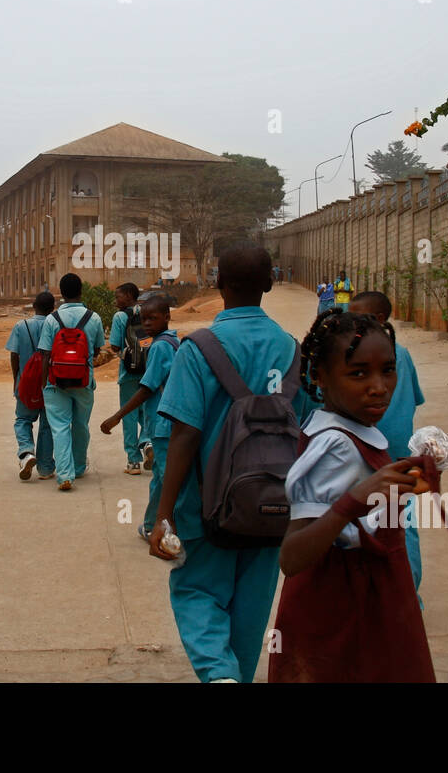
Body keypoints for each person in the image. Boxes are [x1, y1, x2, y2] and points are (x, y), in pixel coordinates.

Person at [149, 244, 318, 683]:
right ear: (269, 283)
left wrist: (163, 515)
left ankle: (217, 672)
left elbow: (184, 434)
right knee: (252, 603)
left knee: (197, 590)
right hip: (274, 503)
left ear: (218, 284)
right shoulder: (292, 350)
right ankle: (235, 675)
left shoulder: (198, 349)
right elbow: (309, 429)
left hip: (206, 504)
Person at [268, 310, 433, 682]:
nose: (379, 386)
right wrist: (352, 503)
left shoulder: (350, 429)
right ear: (320, 377)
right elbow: (292, 557)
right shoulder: (335, 446)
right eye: (358, 373)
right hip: (341, 608)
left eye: (388, 370)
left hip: (369, 600)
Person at [347, 290, 427, 597]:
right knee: (401, 520)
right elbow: (414, 399)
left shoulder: (360, 358)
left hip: (371, 452)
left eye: (359, 316)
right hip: (399, 454)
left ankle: (389, 591)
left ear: (380, 320)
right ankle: (408, 591)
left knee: (373, 519)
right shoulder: (402, 355)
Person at [100, 294, 178, 541]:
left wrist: (117, 416)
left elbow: (147, 388)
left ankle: (162, 526)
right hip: (170, 420)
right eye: (144, 320)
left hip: (163, 422)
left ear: (166, 317)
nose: (147, 324)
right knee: (160, 476)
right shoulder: (173, 342)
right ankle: (149, 524)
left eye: (152, 319)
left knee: (165, 478)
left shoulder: (159, 347)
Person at [38, 273, 107, 491]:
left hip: (56, 381)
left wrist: (44, 384)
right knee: (80, 425)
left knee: (59, 428)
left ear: (61, 292)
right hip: (84, 381)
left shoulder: (51, 319)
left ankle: (65, 475)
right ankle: (78, 467)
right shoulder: (93, 318)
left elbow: (45, 354)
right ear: (81, 291)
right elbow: (96, 350)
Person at [7, 291, 56, 481]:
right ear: (52, 308)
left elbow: (14, 354)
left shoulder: (21, 326)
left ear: (34, 305)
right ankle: (45, 468)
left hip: (26, 382)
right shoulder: (55, 326)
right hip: (49, 382)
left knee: (23, 419)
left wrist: (16, 379)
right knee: (47, 424)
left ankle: (27, 452)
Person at [108, 282, 151, 475]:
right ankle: (148, 442)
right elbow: (149, 340)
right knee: (146, 412)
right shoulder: (148, 312)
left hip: (128, 374)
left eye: (118, 296)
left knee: (129, 415)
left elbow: (116, 346)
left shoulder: (120, 316)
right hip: (148, 371)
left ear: (128, 295)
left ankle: (133, 461)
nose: (116, 300)